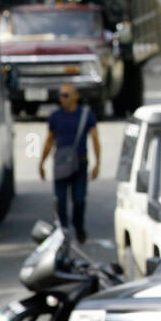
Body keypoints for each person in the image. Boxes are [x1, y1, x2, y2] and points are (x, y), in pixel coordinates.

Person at [37, 84, 101, 242]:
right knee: (60, 202)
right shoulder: (55, 116)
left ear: (75, 96)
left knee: (79, 200)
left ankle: (78, 226)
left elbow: (95, 139)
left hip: (80, 164)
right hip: (61, 165)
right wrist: (41, 163)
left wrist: (97, 164)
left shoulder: (86, 115)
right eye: (60, 95)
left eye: (66, 95)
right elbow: (49, 140)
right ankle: (63, 232)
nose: (62, 98)